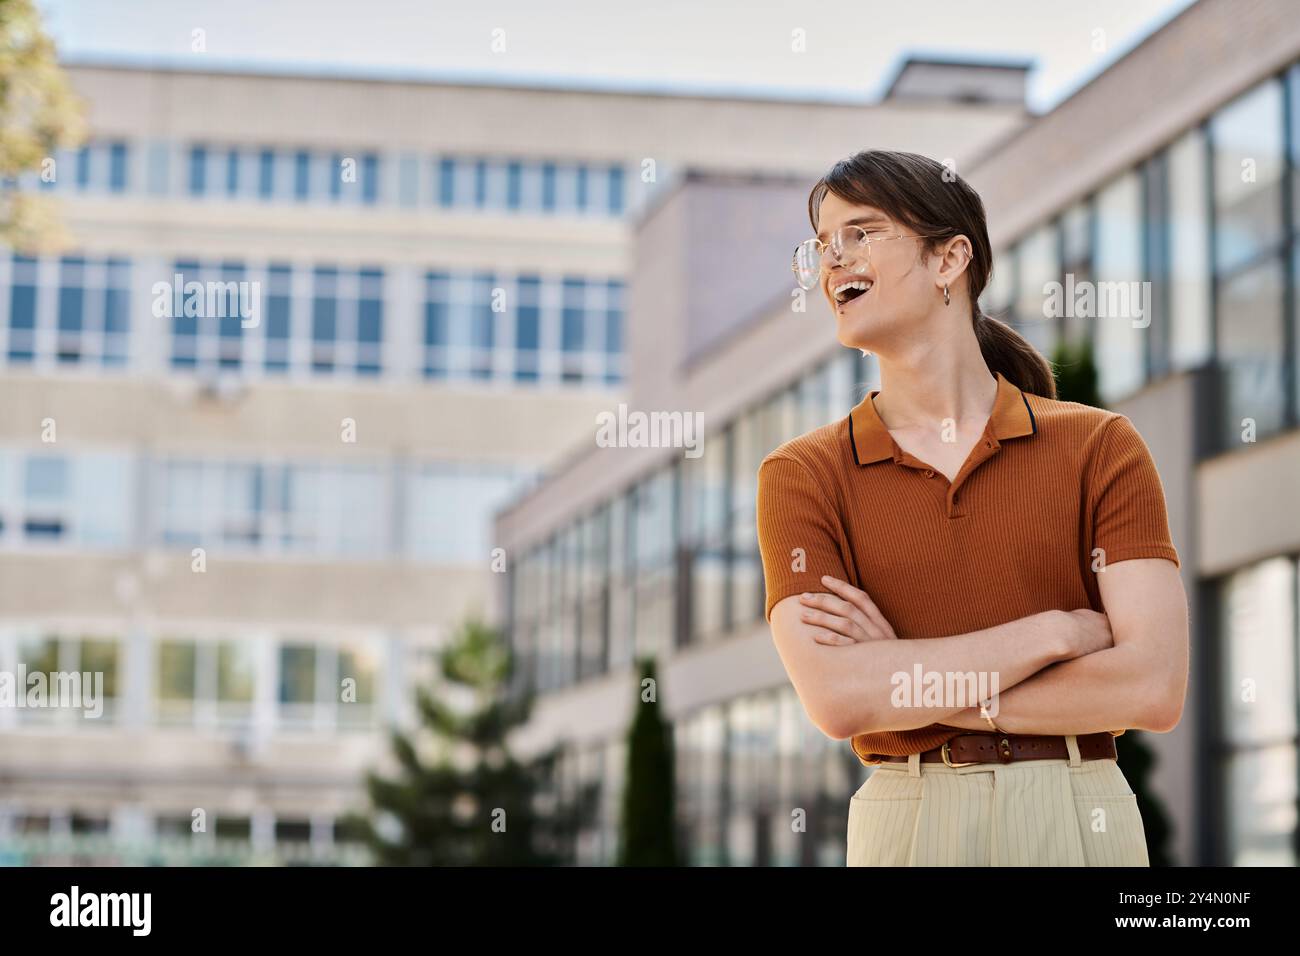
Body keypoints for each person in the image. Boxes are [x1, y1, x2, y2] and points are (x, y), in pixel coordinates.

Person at [756, 149, 1189, 866]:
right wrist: (1051, 634)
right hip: (908, 819)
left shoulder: (1100, 447)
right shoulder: (802, 476)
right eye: (823, 247)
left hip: (1080, 815)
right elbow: (837, 699)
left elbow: (1152, 685)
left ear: (949, 259)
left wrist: (901, 676)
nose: (834, 262)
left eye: (861, 234)